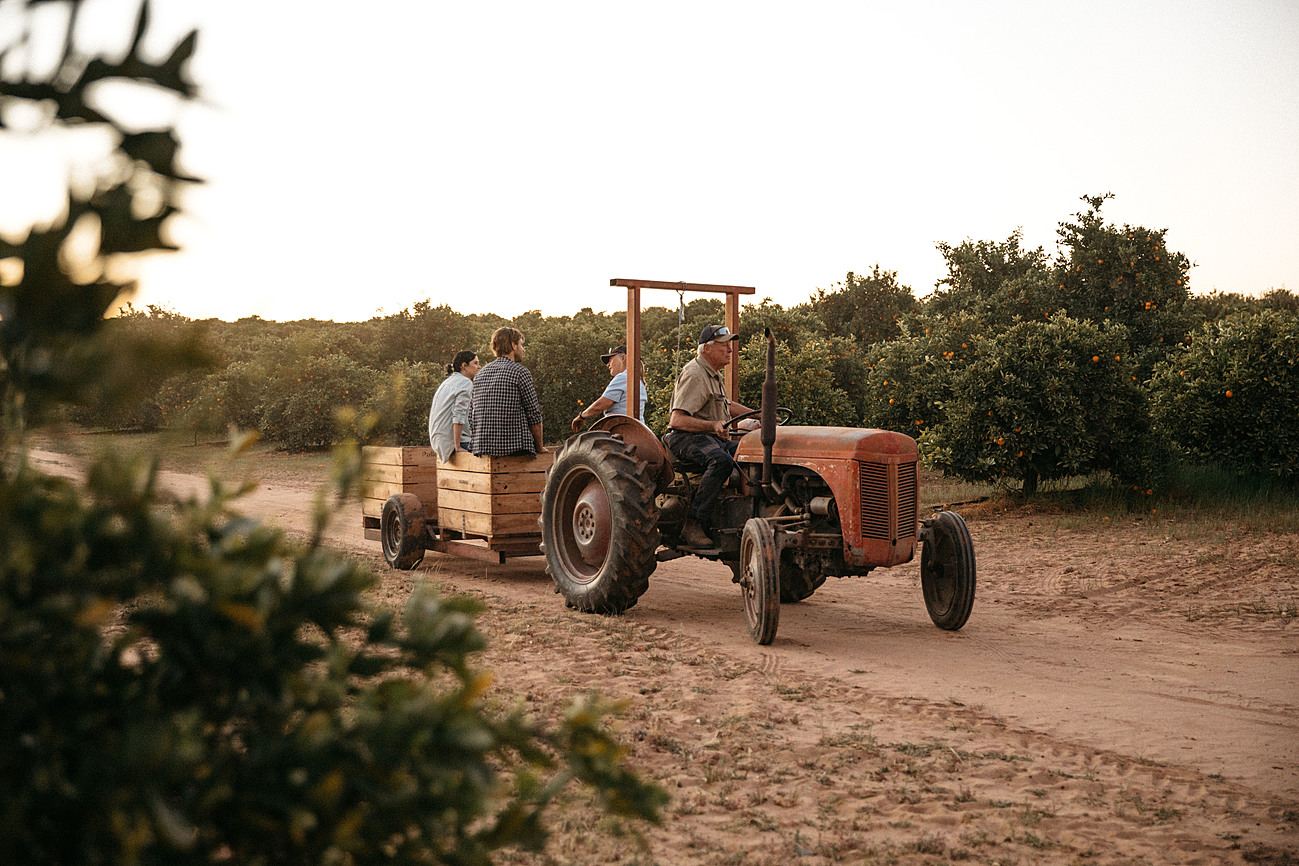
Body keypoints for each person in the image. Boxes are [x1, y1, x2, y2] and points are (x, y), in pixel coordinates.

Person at [663, 324, 755, 550]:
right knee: (721, 461)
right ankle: (694, 522)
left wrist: (762, 414)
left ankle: (749, 515)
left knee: (751, 454)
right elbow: (677, 420)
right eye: (724, 345)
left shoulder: (713, 375)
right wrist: (713, 425)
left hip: (710, 438)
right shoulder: (694, 374)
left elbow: (727, 405)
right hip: (686, 437)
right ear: (707, 349)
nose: (730, 350)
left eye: (729, 345)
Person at [469, 326, 547, 456]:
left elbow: (471, 416)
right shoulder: (520, 372)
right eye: (521, 345)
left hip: (481, 449)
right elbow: (533, 415)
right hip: (514, 449)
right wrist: (539, 447)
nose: (523, 349)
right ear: (513, 345)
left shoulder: (480, 374)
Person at [571, 345, 649, 431]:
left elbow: (599, 406)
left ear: (623, 358)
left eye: (610, 360)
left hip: (621, 430)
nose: (608, 364)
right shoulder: (638, 380)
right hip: (640, 430)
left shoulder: (623, 377)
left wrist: (582, 416)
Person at [428, 350, 480, 463]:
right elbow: (459, 415)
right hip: (451, 443)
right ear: (464, 366)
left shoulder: (447, 382)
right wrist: (457, 446)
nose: (479, 367)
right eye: (475, 363)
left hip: (438, 441)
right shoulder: (465, 383)